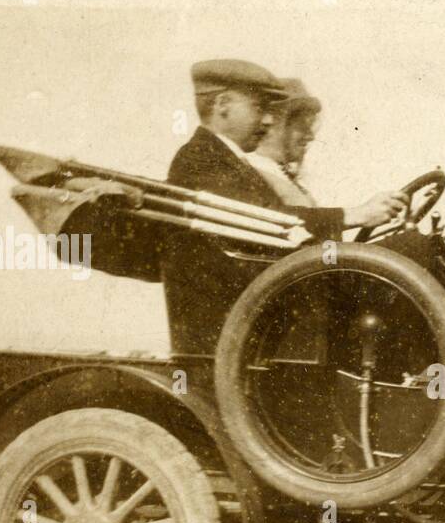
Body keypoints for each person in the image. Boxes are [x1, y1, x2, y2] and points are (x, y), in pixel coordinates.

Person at [161, 59, 406, 353]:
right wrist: (352, 215)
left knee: (411, 253)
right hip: (260, 320)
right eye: (258, 108)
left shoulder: (226, 161)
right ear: (223, 104)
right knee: (414, 252)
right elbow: (262, 220)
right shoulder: (201, 158)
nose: (267, 121)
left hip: (271, 305)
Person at [243, 77, 321, 208]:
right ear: (275, 123)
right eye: (303, 126)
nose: (310, 136)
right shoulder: (255, 173)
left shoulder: (276, 173)